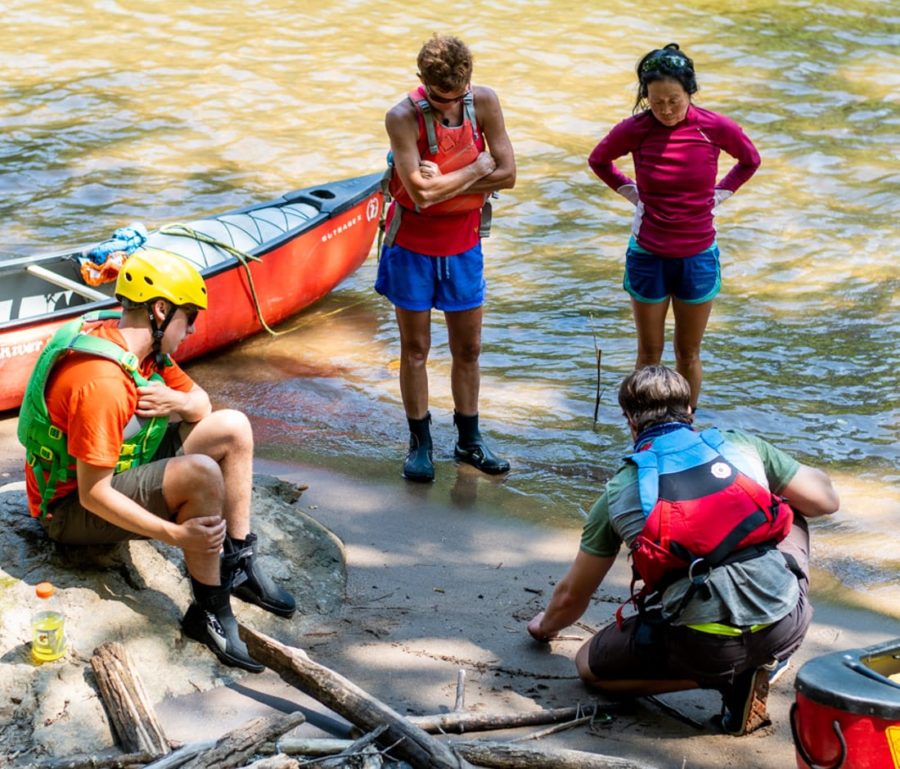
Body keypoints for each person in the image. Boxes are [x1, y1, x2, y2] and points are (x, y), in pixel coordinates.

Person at [19, 249, 295, 672]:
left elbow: (202, 406)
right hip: (70, 511)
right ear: (161, 310)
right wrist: (175, 535)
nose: (191, 331)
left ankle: (239, 566)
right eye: (190, 318)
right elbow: (93, 495)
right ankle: (208, 611)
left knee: (234, 426)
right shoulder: (103, 383)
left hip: (118, 473)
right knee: (201, 475)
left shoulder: (141, 351)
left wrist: (179, 401)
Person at [527, 366, 839, 735]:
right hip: (784, 626)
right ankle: (761, 664)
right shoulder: (740, 443)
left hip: (704, 649)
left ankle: (720, 680)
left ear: (630, 421)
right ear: (690, 409)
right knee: (793, 512)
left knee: (587, 667)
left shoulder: (618, 491)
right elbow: (825, 501)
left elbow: (570, 598)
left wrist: (542, 628)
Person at [588, 43, 761, 409]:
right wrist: (630, 192)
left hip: (697, 256)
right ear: (645, 96)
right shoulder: (636, 129)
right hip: (648, 254)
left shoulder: (714, 127)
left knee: (688, 352)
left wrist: (721, 194)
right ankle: (644, 429)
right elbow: (599, 159)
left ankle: (686, 425)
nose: (665, 110)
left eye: (674, 100)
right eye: (656, 101)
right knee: (649, 353)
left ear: (690, 93)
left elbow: (750, 160)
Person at [376, 33, 516, 482]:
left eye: (454, 98)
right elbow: (418, 194)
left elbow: (508, 174)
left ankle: (469, 440)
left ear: (469, 81)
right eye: (436, 99)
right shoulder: (401, 117)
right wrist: (478, 169)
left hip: (464, 244)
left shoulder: (486, 102)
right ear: (422, 83)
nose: (445, 107)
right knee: (415, 349)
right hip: (411, 248)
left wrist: (451, 177)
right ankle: (420, 443)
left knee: (468, 349)